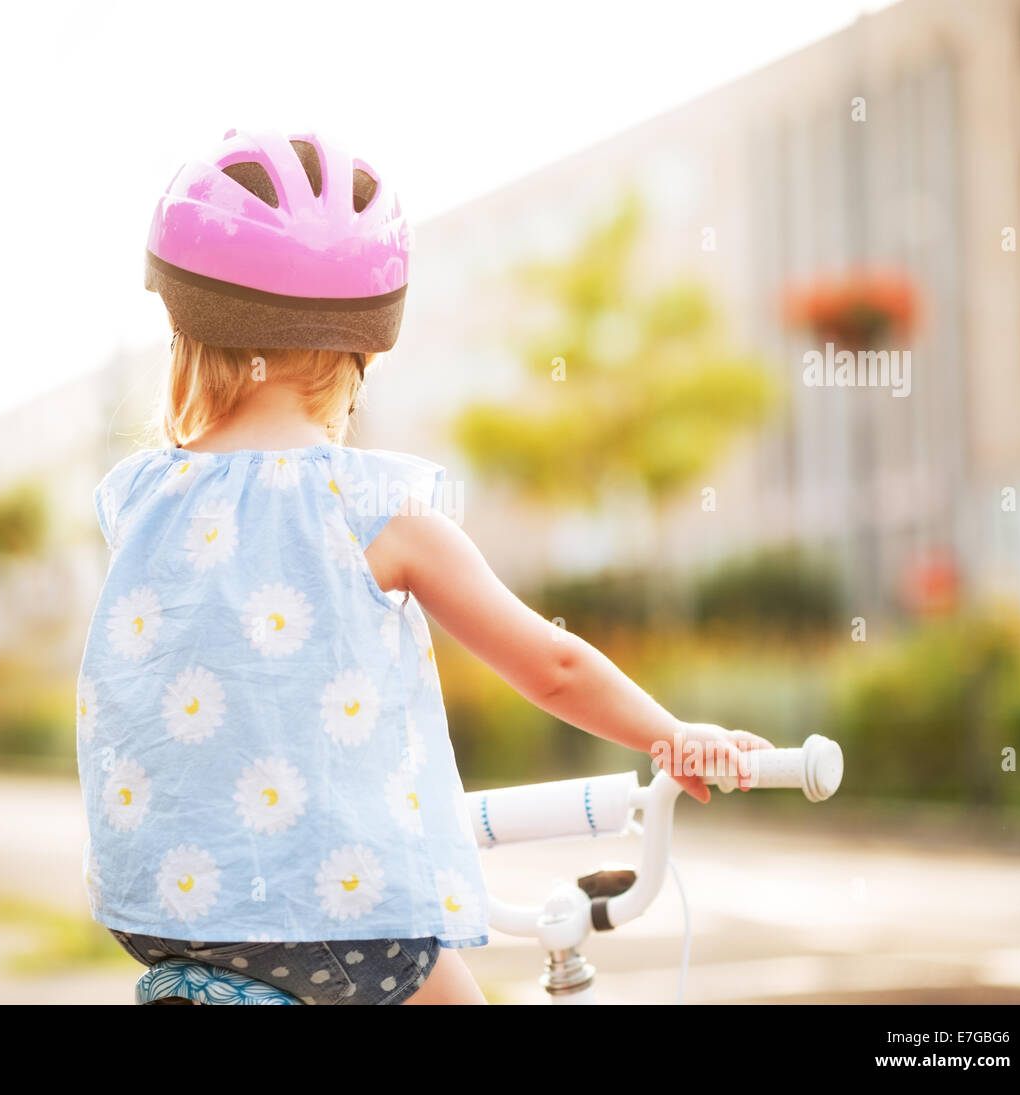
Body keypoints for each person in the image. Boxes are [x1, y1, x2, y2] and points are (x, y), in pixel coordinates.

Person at [76, 127, 770, 1006]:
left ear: (186, 337)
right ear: (357, 354)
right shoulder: (375, 510)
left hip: (165, 916)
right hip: (340, 922)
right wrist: (676, 736)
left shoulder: (141, 499)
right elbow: (553, 666)